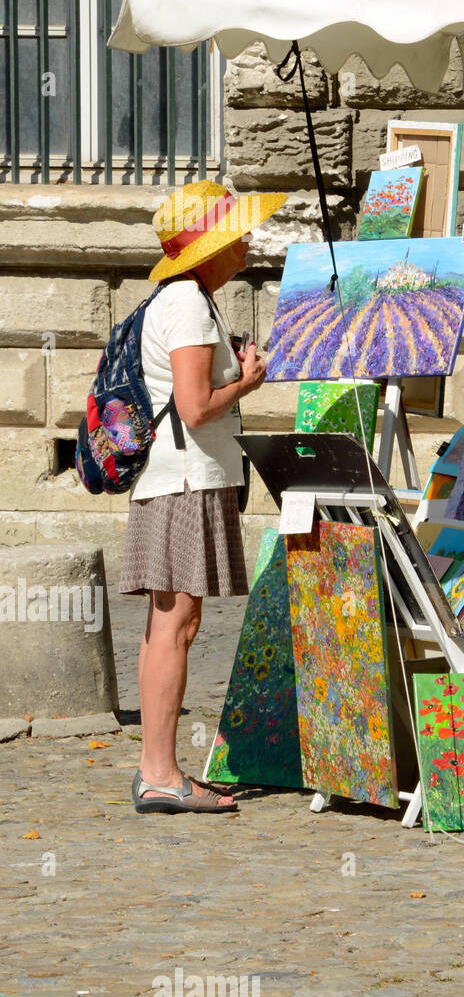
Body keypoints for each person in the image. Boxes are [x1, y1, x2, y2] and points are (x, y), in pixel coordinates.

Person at [121, 180, 287, 814]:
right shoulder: (188, 301)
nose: (246, 239)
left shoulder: (182, 297)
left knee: (170, 622)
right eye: (236, 230)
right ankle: (159, 772)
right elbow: (194, 409)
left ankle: (155, 769)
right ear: (210, 246)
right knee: (178, 624)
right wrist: (245, 382)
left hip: (177, 478)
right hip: (184, 479)